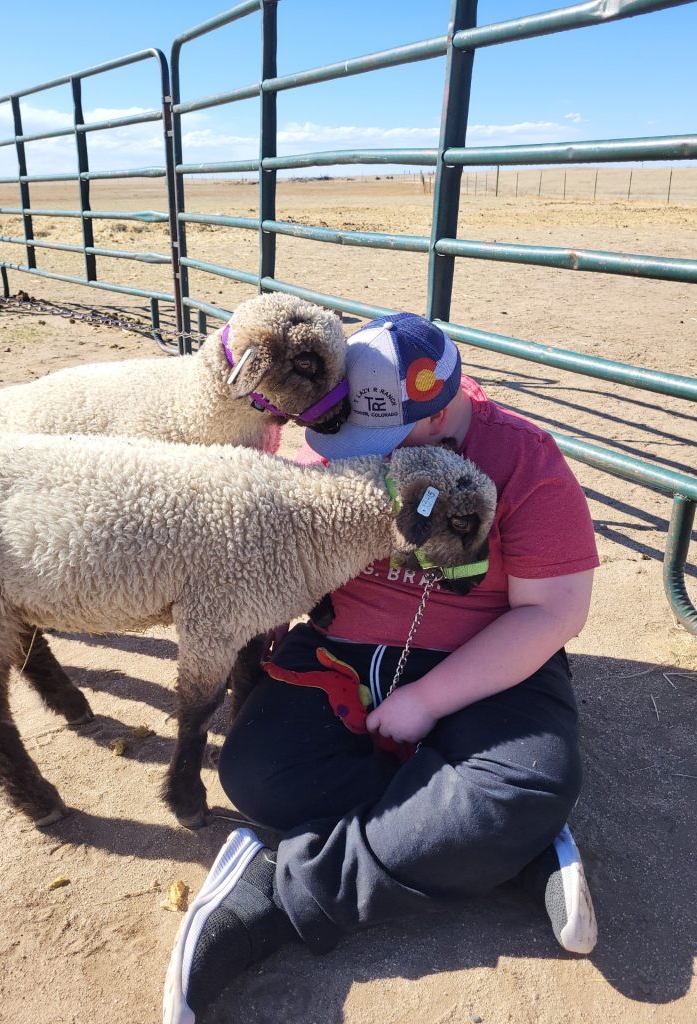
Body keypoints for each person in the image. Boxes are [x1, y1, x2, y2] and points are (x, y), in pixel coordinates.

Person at [163, 313, 600, 1024]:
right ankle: (504, 846)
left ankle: (278, 896)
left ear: (432, 421)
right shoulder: (336, 439)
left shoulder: (524, 459)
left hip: (480, 662)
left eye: (378, 441)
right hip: (345, 650)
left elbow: (553, 613)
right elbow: (289, 537)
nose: (347, 455)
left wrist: (428, 698)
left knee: (528, 781)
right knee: (254, 775)